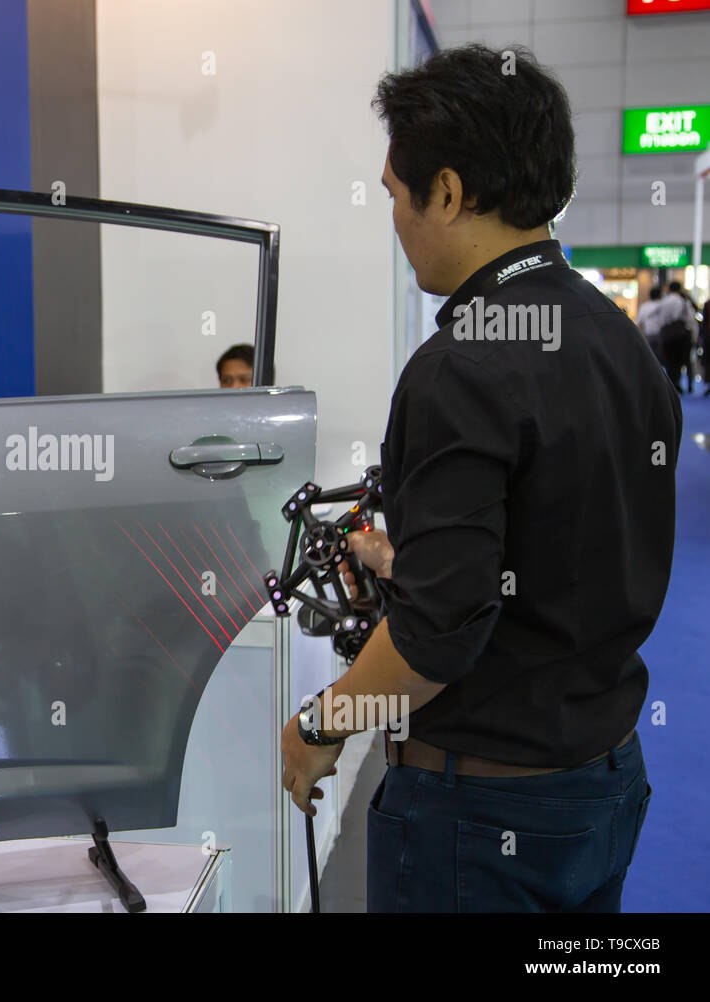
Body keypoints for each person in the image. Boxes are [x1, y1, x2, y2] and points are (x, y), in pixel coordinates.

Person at [279, 43, 680, 913]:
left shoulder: (459, 368)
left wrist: (322, 724)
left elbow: (438, 635)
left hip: (485, 814)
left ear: (450, 193)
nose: (394, 218)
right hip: (604, 780)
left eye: (395, 195)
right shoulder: (622, 346)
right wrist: (412, 564)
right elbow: (567, 551)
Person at [657, 280, 695, 393]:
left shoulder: (664, 301)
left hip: (666, 333)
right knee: (681, 360)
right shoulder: (682, 301)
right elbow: (688, 318)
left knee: (669, 360)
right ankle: (680, 383)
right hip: (679, 333)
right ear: (679, 289)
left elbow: (661, 318)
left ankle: (672, 383)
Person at [635, 286, 666, 364]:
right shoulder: (663, 305)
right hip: (662, 335)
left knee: (651, 360)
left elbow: (638, 321)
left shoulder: (644, 306)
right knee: (662, 360)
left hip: (649, 335)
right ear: (660, 295)